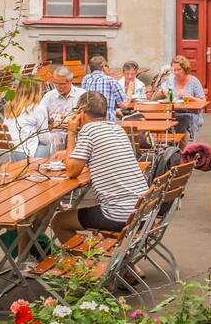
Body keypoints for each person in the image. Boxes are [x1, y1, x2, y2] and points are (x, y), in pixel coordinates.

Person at [50, 91, 149, 244]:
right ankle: (124, 263)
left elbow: (71, 171)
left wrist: (71, 132)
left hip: (119, 214)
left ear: (81, 112)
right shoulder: (116, 129)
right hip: (143, 211)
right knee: (97, 210)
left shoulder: (88, 131)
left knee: (59, 221)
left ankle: (87, 264)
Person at [36, 66, 85, 157]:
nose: (58, 87)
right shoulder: (48, 96)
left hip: (77, 138)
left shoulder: (82, 95)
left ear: (70, 81)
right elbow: (39, 118)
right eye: (56, 83)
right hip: (54, 140)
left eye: (62, 84)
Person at [154, 56, 205, 138]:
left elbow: (203, 101)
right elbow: (155, 98)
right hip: (171, 113)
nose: (176, 72)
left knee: (181, 122)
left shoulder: (194, 81)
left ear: (185, 69)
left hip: (189, 114)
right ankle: (168, 147)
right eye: (174, 70)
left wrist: (189, 97)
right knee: (156, 120)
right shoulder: (170, 79)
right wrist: (163, 92)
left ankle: (178, 147)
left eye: (179, 70)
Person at [2, 79, 48, 158]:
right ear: (37, 91)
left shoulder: (10, 105)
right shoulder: (37, 107)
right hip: (28, 152)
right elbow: (45, 138)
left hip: (12, 151)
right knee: (54, 145)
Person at [80, 54, 125, 122]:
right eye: (107, 65)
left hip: (89, 121)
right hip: (108, 121)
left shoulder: (85, 79)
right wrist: (130, 91)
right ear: (103, 67)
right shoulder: (111, 81)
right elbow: (124, 105)